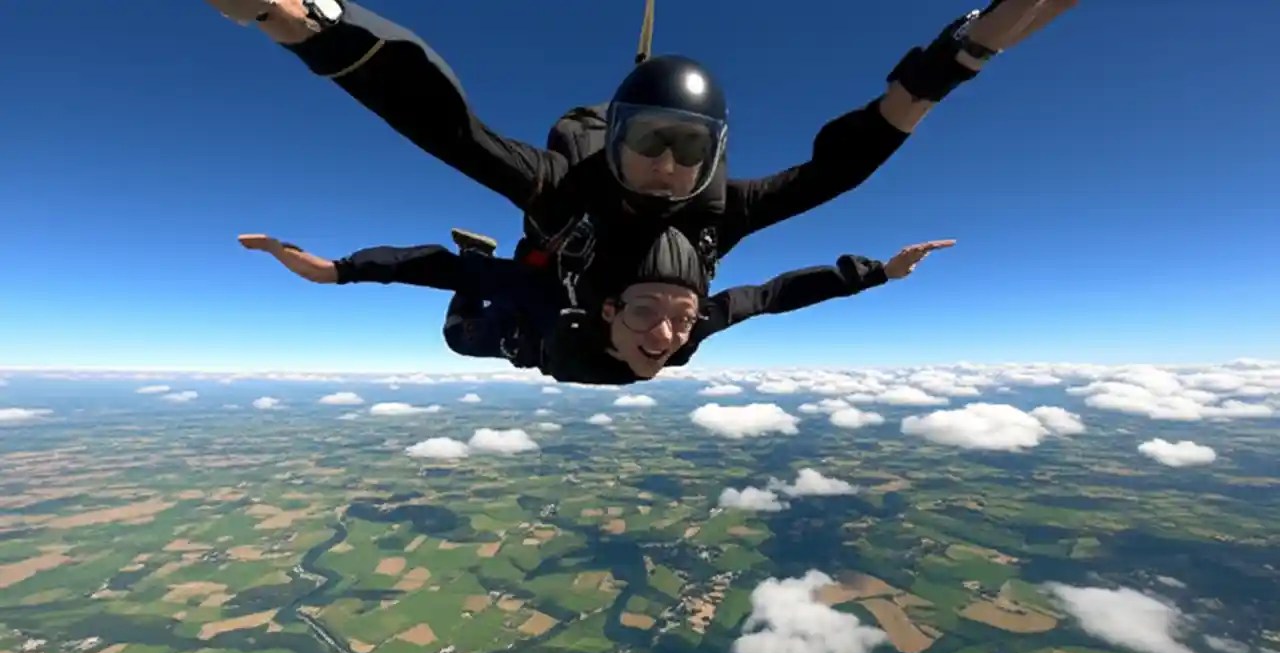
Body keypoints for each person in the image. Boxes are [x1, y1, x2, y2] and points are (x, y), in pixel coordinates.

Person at [204, 0, 1074, 316]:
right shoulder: (568, 185)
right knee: (490, 314)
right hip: (552, 282)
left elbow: (837, 170)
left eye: (687, 148)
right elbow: (440, 124)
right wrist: (310, 20)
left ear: (713, 156)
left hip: (552, 293)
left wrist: (342, 272)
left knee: (496, 308)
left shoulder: (704, 217)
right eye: (646, 142)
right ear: (610, 141)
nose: (664, 165)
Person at [236, 228, 953, 383]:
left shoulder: (692, 324)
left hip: (547, 336)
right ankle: (503, 258)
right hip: (522, 328)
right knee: (461, 329)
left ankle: (503, 262)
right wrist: (337, 272)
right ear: (609, 311)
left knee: (502, 285)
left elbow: (770, 296)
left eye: (682, 320)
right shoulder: (550, 300)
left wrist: (877, 274)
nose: (669, 336)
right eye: (649, 316)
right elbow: (435, 266)